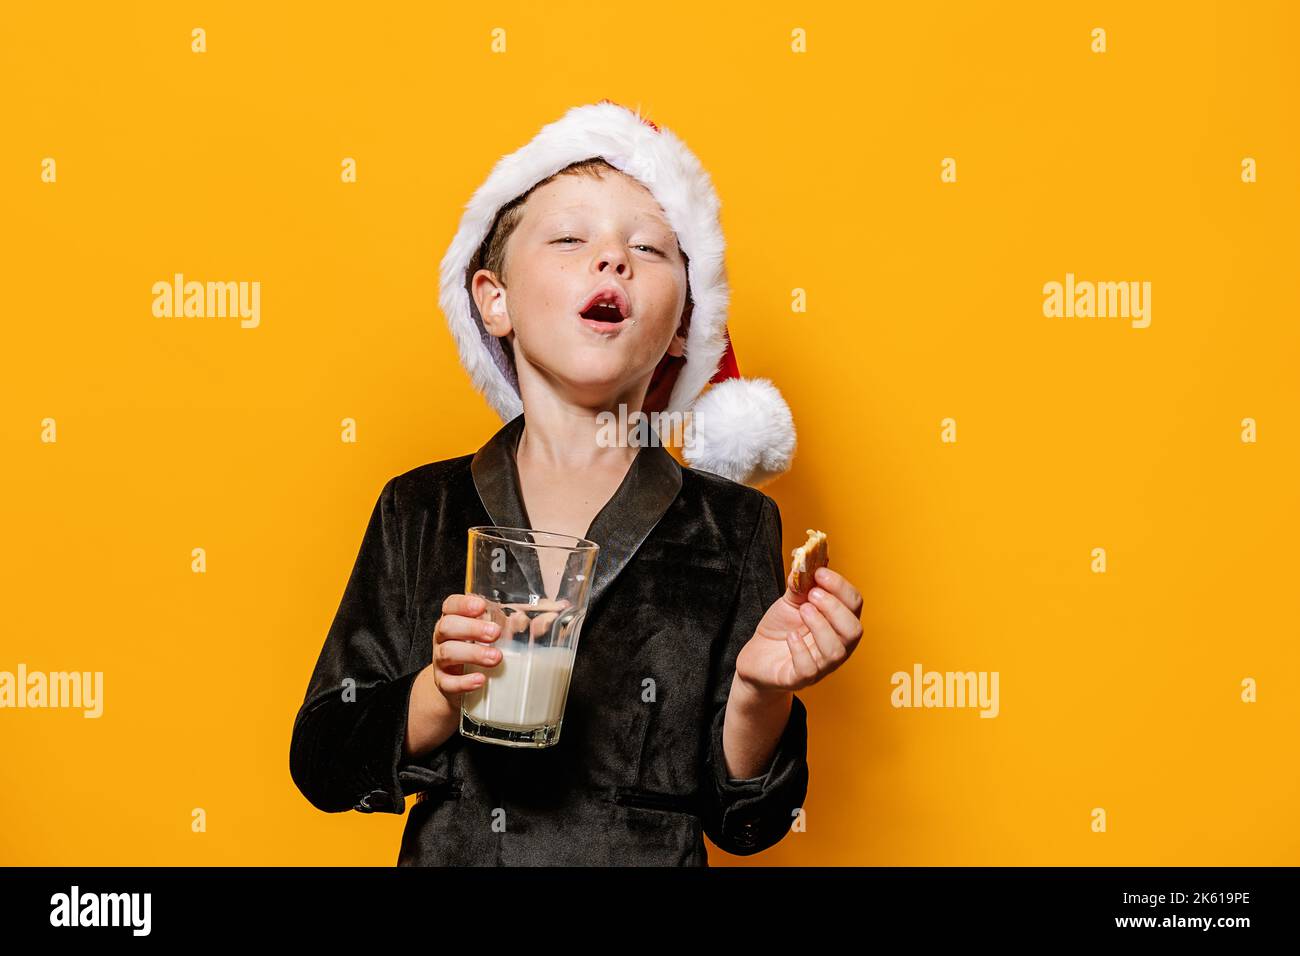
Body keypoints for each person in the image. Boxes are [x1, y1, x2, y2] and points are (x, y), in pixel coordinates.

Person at [289, 101, 865, 865]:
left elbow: (747, 824)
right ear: (494, 300)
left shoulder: (735, 527)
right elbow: (325, 762)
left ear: (684, 323)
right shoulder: (418, 509)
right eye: (569, 237)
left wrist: (761, 692)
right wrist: (440, 690)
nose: (613, 260)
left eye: (650, 249)